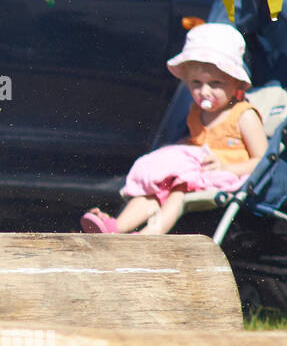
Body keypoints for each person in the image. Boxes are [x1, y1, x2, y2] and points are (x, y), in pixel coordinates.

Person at [80, 23, 267, 235]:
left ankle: (148, 236)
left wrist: (226, 166)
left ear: (236, 84)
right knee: (158, 187)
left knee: (177, 191)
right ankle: (116, 227)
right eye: (196, 83)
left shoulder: (244, 116)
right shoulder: (196, 111)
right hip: (196, 172)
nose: (204, 92)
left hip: (226, 175)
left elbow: (263, 160)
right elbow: (197, 142)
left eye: (215, 84)